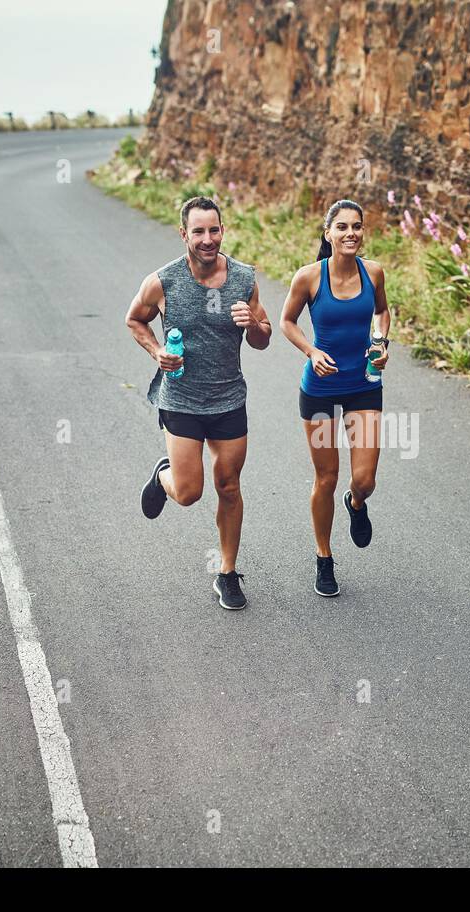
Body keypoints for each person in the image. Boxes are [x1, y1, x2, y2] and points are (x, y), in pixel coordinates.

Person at [124, 195, 272, 610]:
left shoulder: (244, 278)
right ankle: (163, 477)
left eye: (214, 230)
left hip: (228, 399)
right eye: (199, 231)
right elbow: (134, 318)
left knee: (228, 485)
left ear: (222, 231)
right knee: (189, 493)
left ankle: (227, 572)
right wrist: (156, 351)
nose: (207, 239)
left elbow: (263, 337)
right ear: (183, 233)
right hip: (182, 398)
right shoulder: (164, 280)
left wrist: (253, 324)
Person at [278, 199, 392, 597]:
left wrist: (380, 342)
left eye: (356, 226)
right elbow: (286, 322)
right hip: (321, 389)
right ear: (327, 234)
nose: (350, 234)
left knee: (365, 479)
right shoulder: (309, 277)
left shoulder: (373, 272)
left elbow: (382, 312)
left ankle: (356, 504)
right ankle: (324, 558)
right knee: (326, 477)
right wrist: (311, 352)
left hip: (363, 383)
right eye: (341, 227)